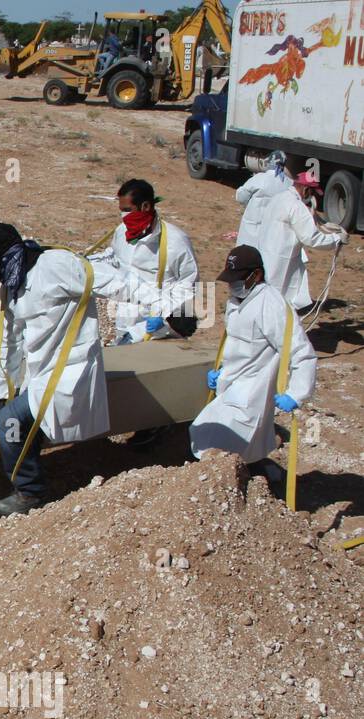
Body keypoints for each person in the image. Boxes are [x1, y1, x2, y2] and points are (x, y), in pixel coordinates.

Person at [0, 223, 123, 516]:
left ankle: (31, 492)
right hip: (40, 373)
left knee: (8, 423)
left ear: (9, 254)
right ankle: (32, 476)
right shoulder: (13, 284)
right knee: (17, 425)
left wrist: (172, 308)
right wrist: (3, 389)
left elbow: (117, 283)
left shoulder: (58, 266)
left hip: (69, 371)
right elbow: (9, 342)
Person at [190, 245, 316, 483]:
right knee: (210, 433)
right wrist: (222, 371)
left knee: (221, 441)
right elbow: (236, 343)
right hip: (232, 383)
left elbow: (301, 352)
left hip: (253, 390)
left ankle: (249, 487)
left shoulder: (272, 306)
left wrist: (296, 393)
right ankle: (257, 474)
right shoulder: (237, 300)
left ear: (256, 275)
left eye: (238, 279)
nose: (232, 285)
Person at [90, 178, 199, 344]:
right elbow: (113, 257)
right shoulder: (122, 232)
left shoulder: (176, 242)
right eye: (121, 211)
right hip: (125, 321)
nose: (123, 217)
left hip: (157, 329)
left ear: (146, 206)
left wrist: (164, 318)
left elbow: (188, 286)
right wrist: (84, 261)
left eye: (127, 210)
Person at [255, 169, 347, 311]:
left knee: (267, 294)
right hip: (281, 259)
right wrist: (336, 239)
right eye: (313, 192)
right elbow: (311, 238)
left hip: (266, 252)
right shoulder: (297, 207)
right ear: (305, 189)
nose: (313, 196)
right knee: (279, 298)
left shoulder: (279, 197)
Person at [236, 151, 293, 247]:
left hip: (251, 230)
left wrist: (248, 205)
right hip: (274, 234)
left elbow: (241, 197)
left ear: (269, 162)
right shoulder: (289, 184)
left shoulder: (259, 178)